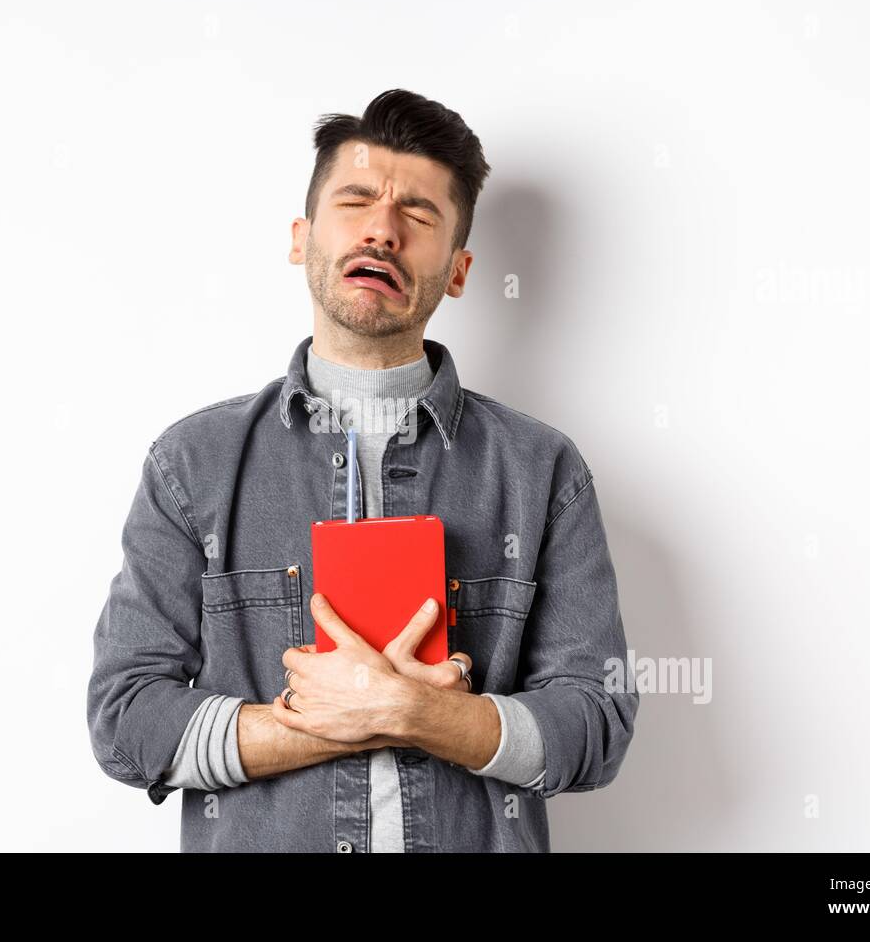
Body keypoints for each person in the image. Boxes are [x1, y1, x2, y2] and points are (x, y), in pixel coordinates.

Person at [86, 89, 638, 852]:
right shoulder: (192, 465)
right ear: (301, 237)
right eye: (355, 201)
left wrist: (420, 714)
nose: (382, 230)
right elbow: (124, 721)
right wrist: (319, 722)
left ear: (457, 270)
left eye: (418, 215)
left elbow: (599, 726)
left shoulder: (543, 470)